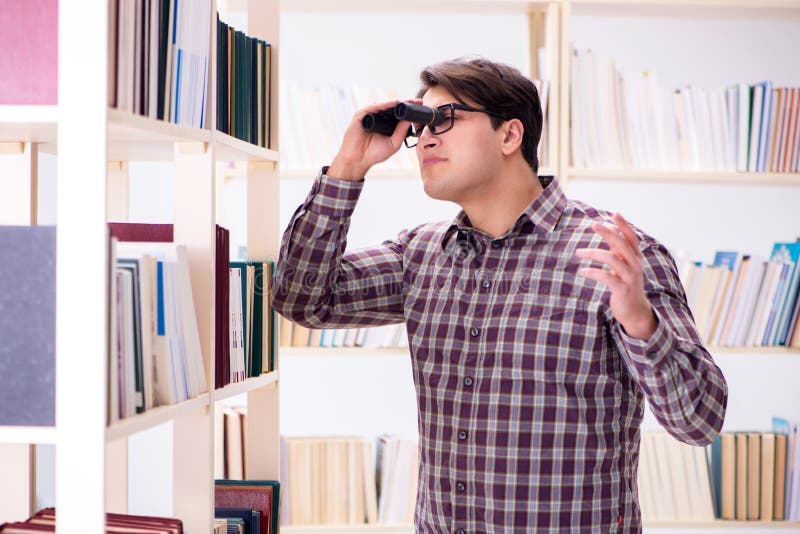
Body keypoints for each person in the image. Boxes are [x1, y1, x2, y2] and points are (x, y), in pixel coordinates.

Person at [271, 57, 727, 533]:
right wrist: (348, 167)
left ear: (510, 136)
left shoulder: (612, 256)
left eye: (442, 120)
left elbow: (698, 422)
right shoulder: (422, 255)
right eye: (418, 126)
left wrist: (640, 322)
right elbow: (302, 298)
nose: (423, 138)